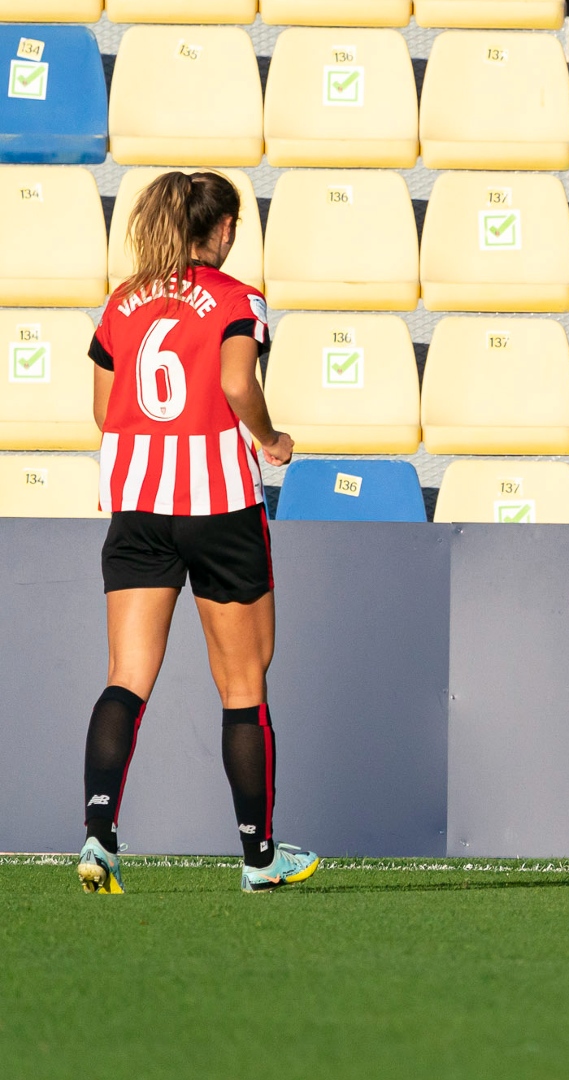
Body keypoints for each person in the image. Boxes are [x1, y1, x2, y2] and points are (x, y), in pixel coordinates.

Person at [76, 171, 317, 895]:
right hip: (217, 505)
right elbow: (240, 383)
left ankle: (98, 836)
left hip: (139, 506)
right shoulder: (238, 298)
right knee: (244, 682)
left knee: (127, 676)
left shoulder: (122, 302)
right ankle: (258, 858)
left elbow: (103, 411)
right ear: (221, 231)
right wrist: (271, 438)